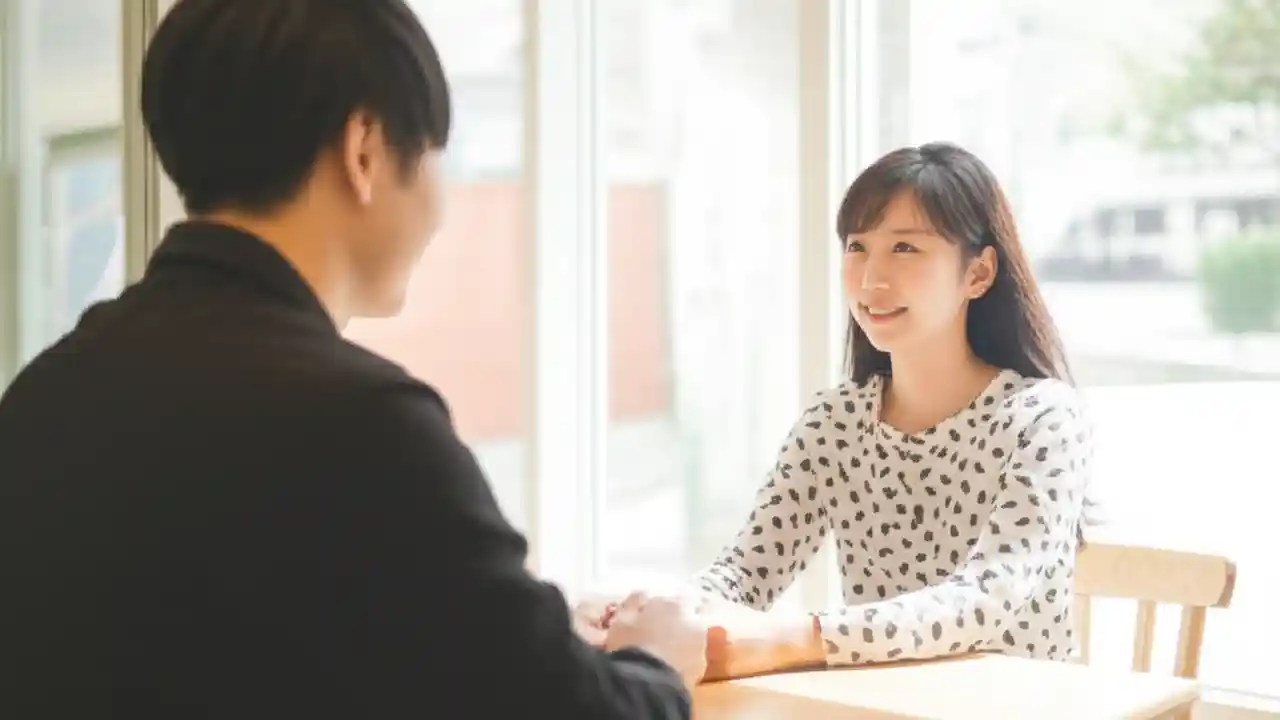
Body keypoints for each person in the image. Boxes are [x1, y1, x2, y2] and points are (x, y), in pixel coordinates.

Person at [0, 1, 705, 716]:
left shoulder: (42, 397)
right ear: (364, 149)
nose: (442, 200)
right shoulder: (360, 426)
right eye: (437, 153)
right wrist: (659, 661)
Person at [578, 142, 1094, 681]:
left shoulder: (1043, 419)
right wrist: (652, 616)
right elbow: (746, 574)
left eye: (905, 249)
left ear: (979, 273)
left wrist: (797, 637)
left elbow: (988, 598)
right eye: (857, 248)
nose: (871, 279)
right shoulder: (837, 422)